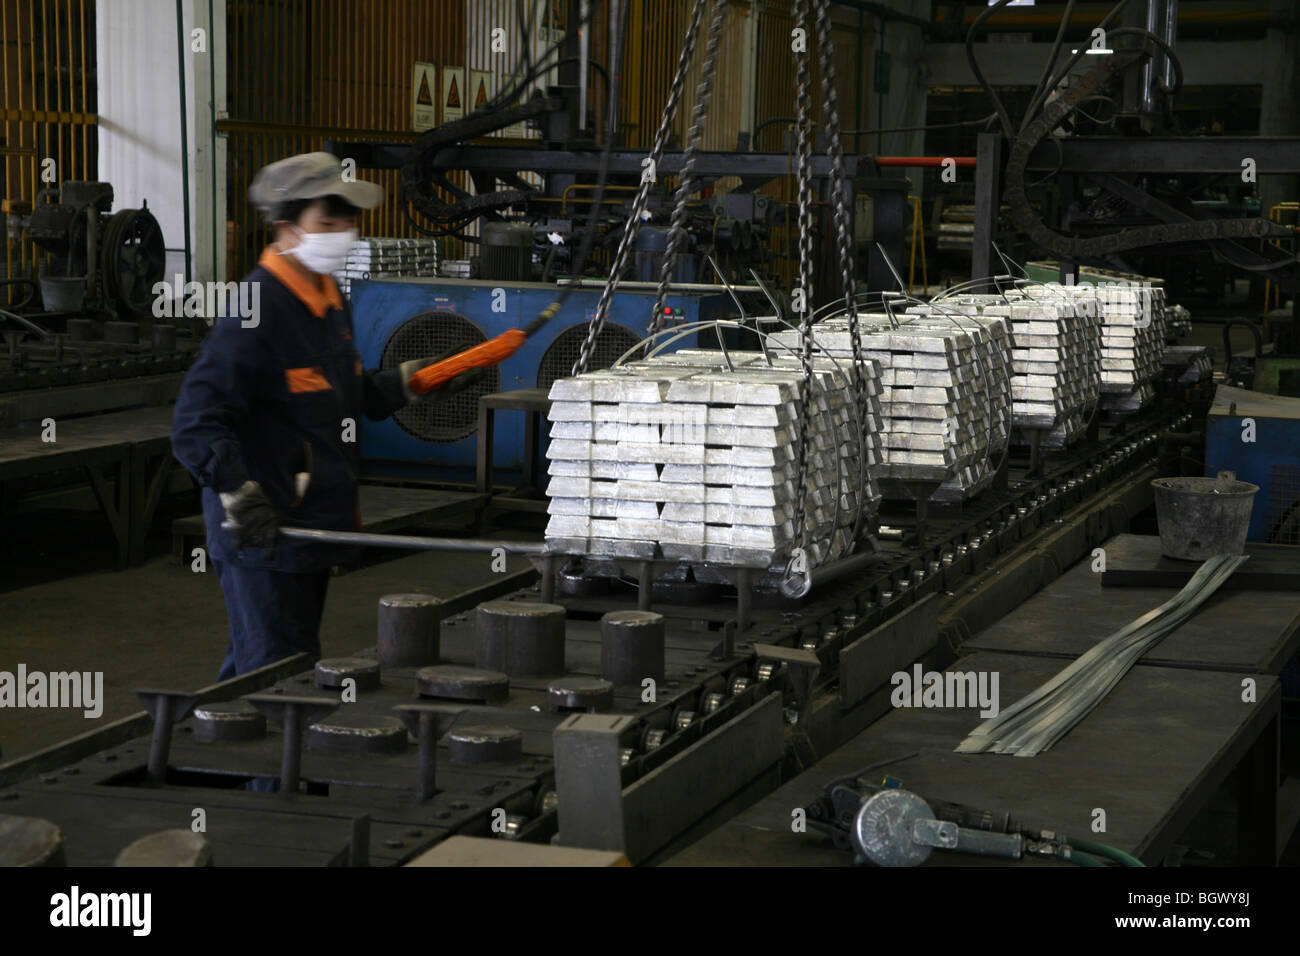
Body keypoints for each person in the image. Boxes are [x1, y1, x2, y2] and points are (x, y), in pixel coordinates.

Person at [171, 152, 463, 681]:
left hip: (311, 524)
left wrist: (416, 380)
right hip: (265, 530)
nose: (344, 232)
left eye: (348, 220)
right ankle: (263, 766)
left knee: (264, 662)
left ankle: (198, 754)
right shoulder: (258, 304)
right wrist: (239, 495)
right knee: (279, 672)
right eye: (328, 221)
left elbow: (346, 395)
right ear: (286, 226)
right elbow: (195, 420)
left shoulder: (328, 299)